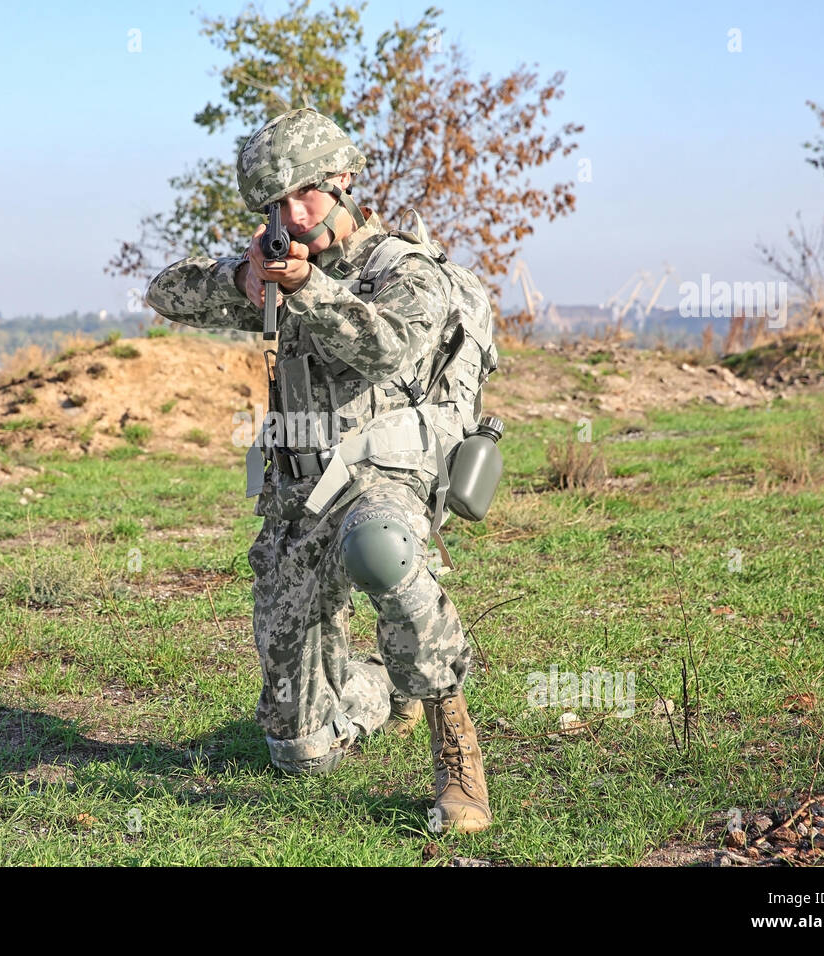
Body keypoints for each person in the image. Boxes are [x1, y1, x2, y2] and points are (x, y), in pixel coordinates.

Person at [144, 108, 491, 832]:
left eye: (299, 194)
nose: (288, 215)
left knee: (381, 549)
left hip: (382, 479)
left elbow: (389, 345)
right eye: (273, 204)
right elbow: (164, 291)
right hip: (298, 497)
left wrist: (310, 290)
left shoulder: (403, 268)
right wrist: (242, 280)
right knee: (299, 752)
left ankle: (455, 743)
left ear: (340, 180)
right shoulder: (274, 263)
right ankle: (382, 690)